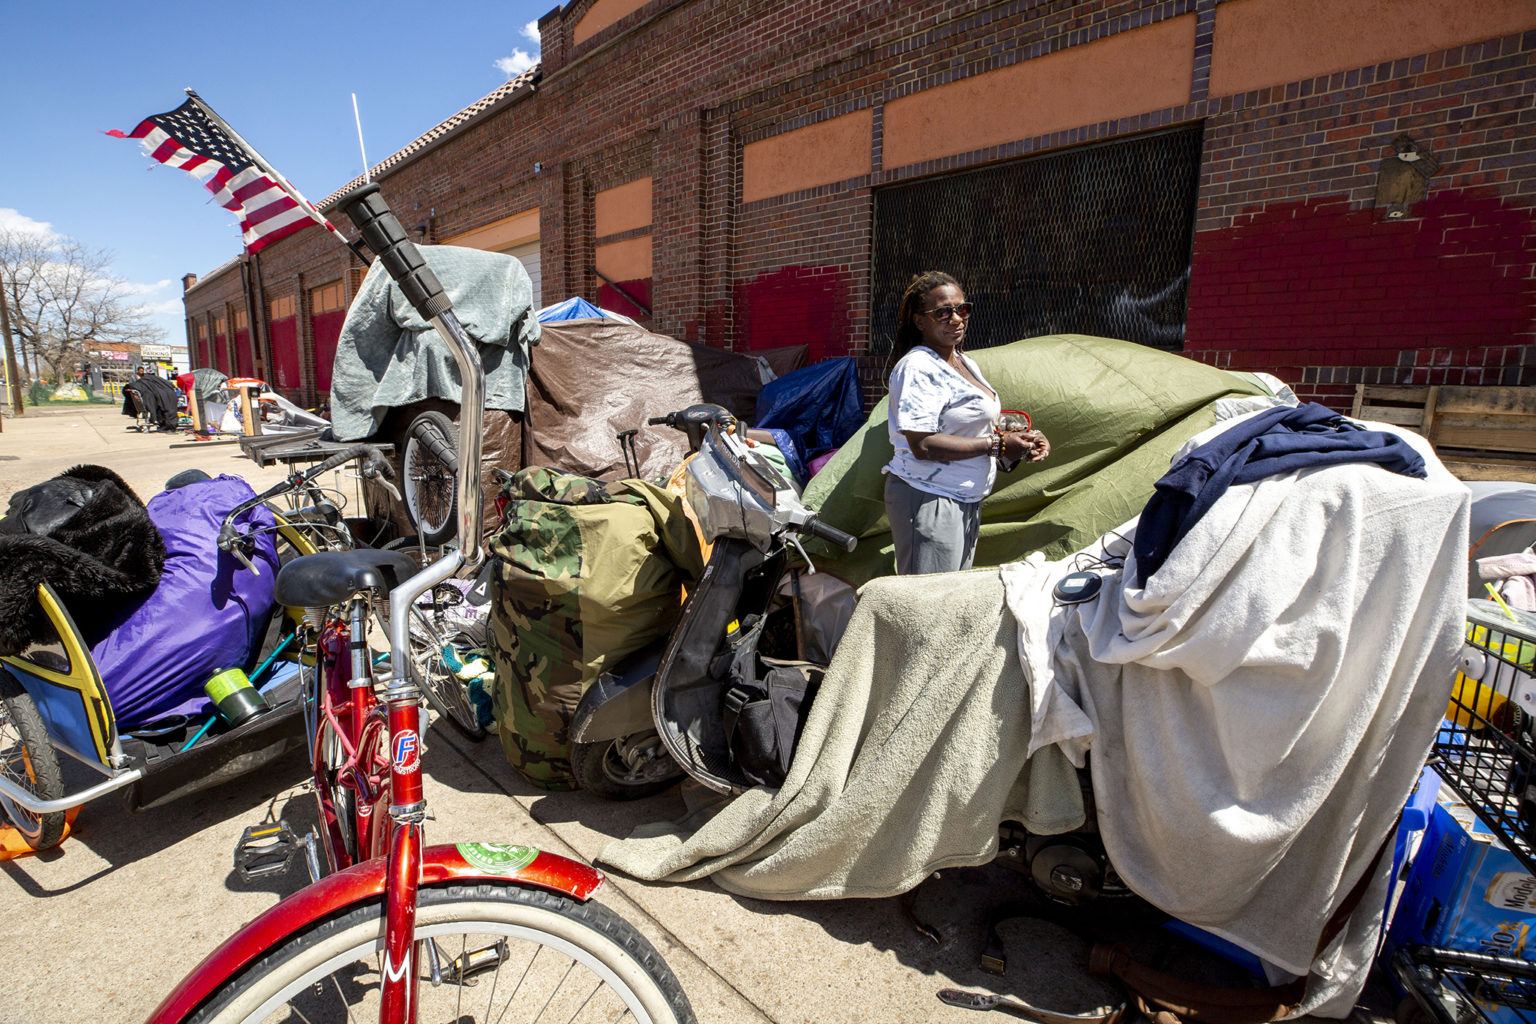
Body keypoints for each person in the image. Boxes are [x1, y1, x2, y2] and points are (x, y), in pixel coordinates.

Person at [883, 271, 1049, 574]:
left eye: (963, 309)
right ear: (920, 321)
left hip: (964, 499)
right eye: (943, 312)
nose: (956, 319)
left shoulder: (962, 360)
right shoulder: (918, 367)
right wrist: (997, 445)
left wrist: (1023, 438)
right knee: (930, 607)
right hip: (929, 497)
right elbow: (923, 445)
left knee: (950, 601)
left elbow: (970, 422)